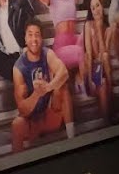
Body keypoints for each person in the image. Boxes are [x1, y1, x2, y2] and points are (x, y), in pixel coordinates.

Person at [19, 0, 87, 91]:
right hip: (61, 48)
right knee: (81, 53)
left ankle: (81, 77)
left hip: (74, 41)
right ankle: (83, 85)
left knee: (88, 31)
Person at [11, 19, 73, 152]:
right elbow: (22, 109)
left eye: (37, 34)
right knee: (17, 124)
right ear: (25, 38)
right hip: (31, 122)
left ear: (42, 37)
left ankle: (72, 139)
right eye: (30, 34)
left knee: (63, 87)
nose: (34, 39)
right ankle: (16, 165)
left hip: (48, 116)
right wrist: (36, 94)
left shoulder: (47, 53)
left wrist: (48, 87)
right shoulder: (19, 67)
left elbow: (64, 72)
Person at [83, 0, 112, 122]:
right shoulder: (88, 26)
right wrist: (90, 79)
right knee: (102, 80)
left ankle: (107, 117)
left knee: (105, 56)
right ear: (90, 11)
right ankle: (109, 117)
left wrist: (100, 28)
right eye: (93, 8)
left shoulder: (108, 29)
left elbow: (104, 51)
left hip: (104, 69)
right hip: (92, 69)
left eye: (97, 6)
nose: (96, 10)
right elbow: (89, 54)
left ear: (102, 6)